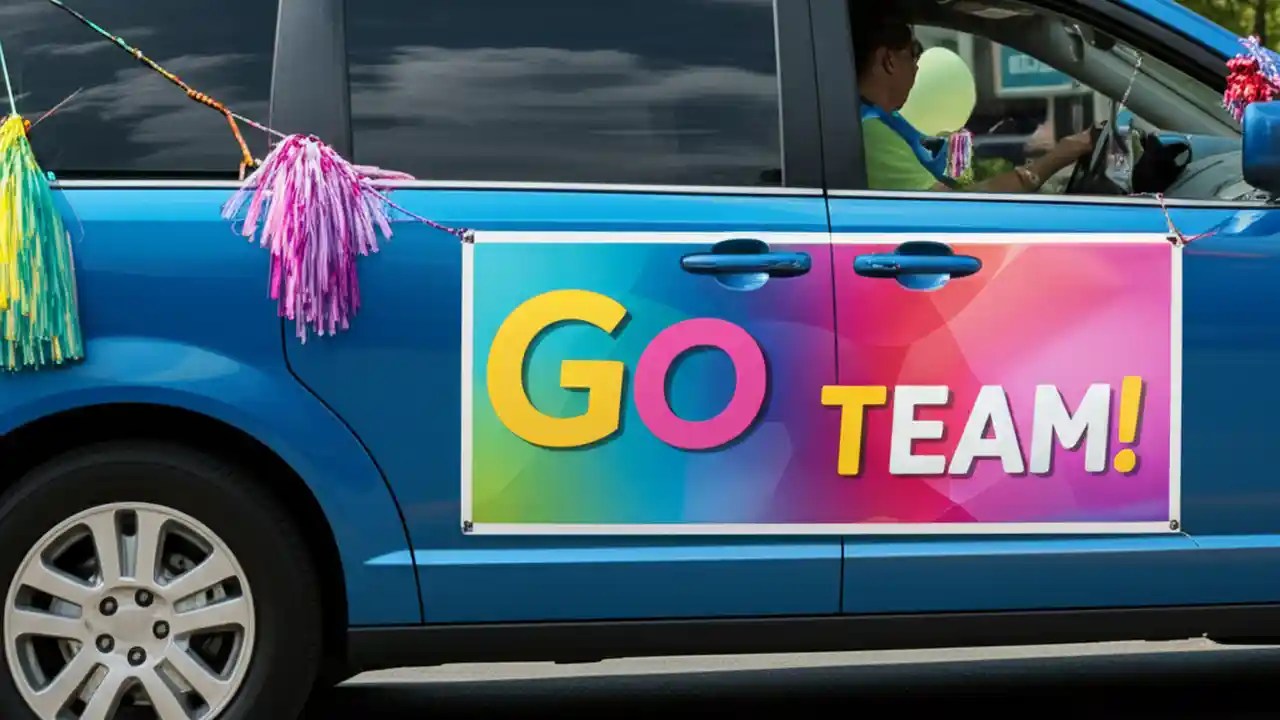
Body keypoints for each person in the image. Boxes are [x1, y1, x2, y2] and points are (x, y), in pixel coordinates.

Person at [853, 6, 1095, 193]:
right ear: (888, 60)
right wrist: (1057, 157)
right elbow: (955, 210)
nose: (918, 68)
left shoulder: (886, 121)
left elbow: (961, 179)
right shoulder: (871, 132)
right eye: (914, 52)